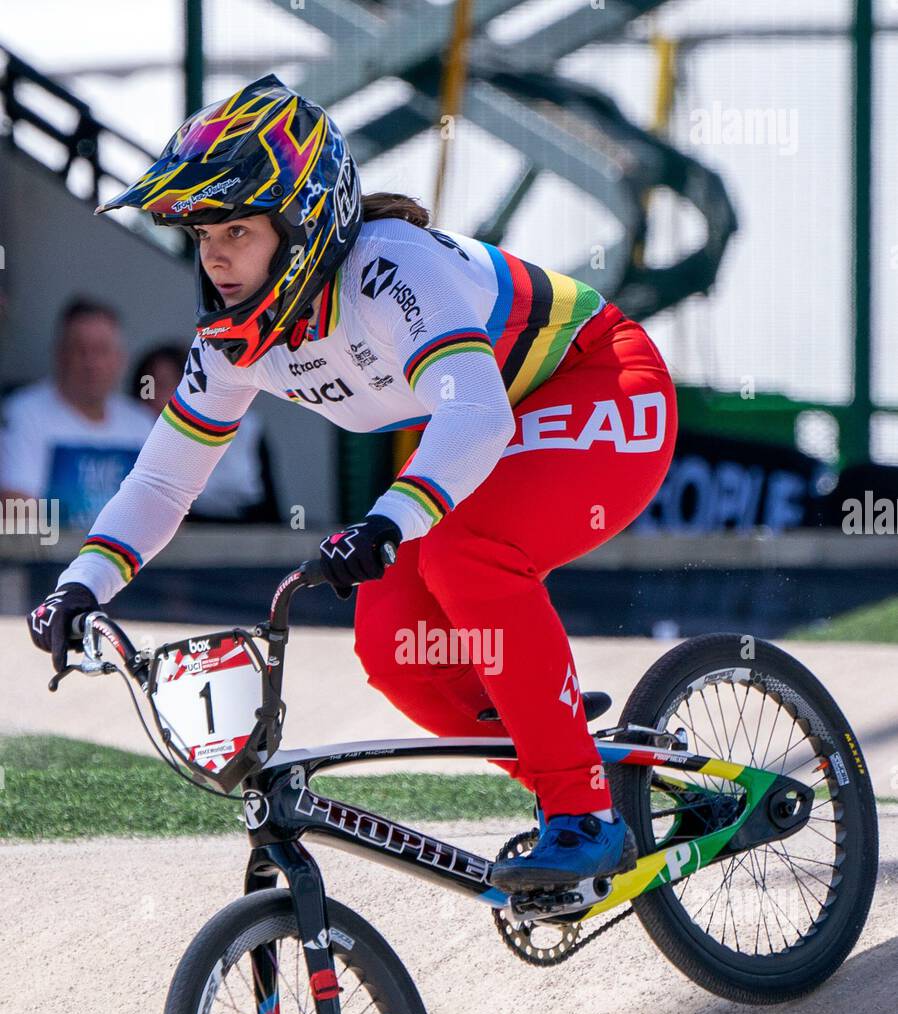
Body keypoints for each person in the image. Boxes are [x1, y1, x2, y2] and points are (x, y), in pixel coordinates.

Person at [26, 73, 678, 893]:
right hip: (480, 428)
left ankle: (583, 812)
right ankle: (569, 769)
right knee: (394, 648)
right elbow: (162, 481)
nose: (216, 256)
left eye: (236, 229)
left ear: (303, 230)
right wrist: (81, 585)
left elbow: (476, 417)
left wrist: (387, 519)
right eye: (201, 234)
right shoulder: (235, 340)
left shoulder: (389, 269)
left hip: (592, 379)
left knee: (464, 559)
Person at [0, 299, 153, 525]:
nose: (91, 362)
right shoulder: (25, 413)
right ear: (60, 355)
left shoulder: (141, 423)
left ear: (120, 359)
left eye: (101, 351)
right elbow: (16, 510)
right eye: (80, 350)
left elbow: (167, 511)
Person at [130, 343, 279, 521]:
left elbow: (270, 498)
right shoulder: (136, 431)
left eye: (175, 385)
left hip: (247, 523)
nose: (165, 397)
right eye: (157, 386)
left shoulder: (246, 427)